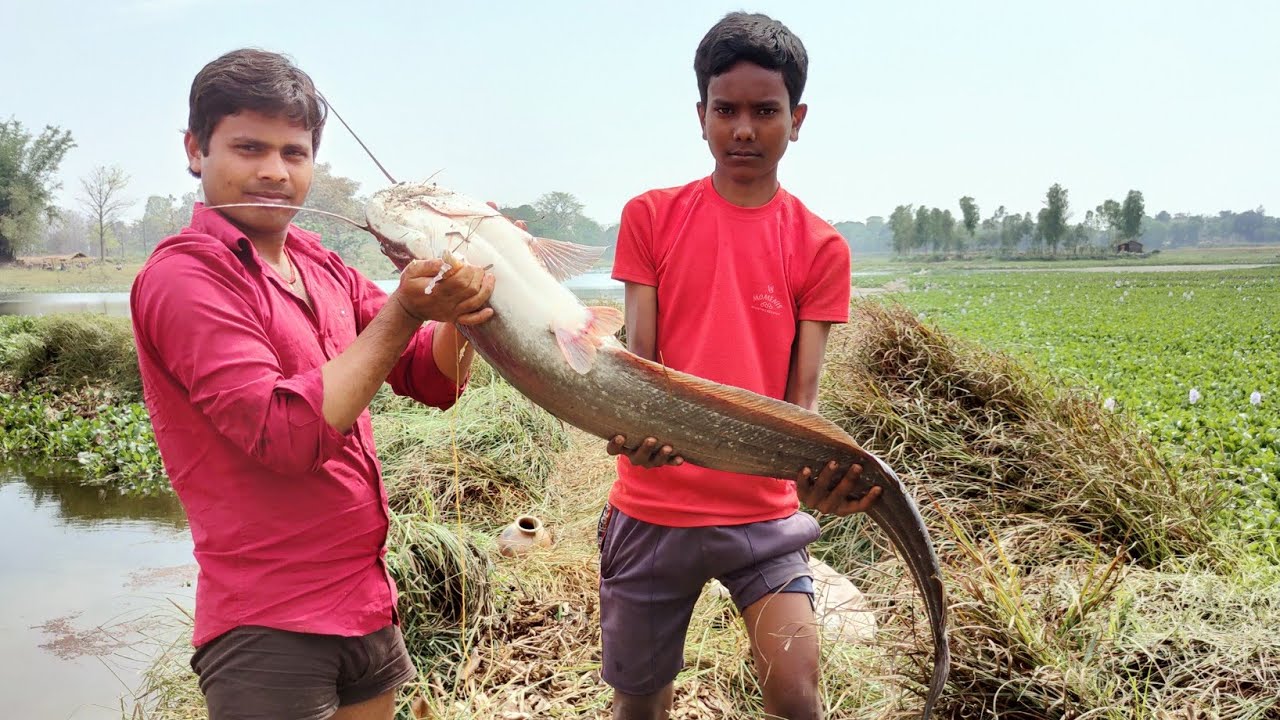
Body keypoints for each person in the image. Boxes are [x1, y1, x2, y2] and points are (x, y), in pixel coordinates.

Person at [129, 48, 495, 720]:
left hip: (366, 601)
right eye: (249, 147)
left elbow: (429, 376)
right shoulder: (185, 277)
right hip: (269, 629)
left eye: (294, 153)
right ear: (195, 150)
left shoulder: (318, 262)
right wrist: (406, 309)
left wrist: (468, 303)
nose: (274, 170)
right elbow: (286, 436)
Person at [600, 12, 882, 720]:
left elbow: (800, 402)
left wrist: (818, 476)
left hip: (763, 514)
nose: (745, 129)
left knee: (797, 693)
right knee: (639, 703)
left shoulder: (820, 247)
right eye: (726, 110)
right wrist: (630, 430)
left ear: (798, 119)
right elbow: (638, 365)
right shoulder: (651, 218)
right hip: (653, 505)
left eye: (766, 111)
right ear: (701, 117)